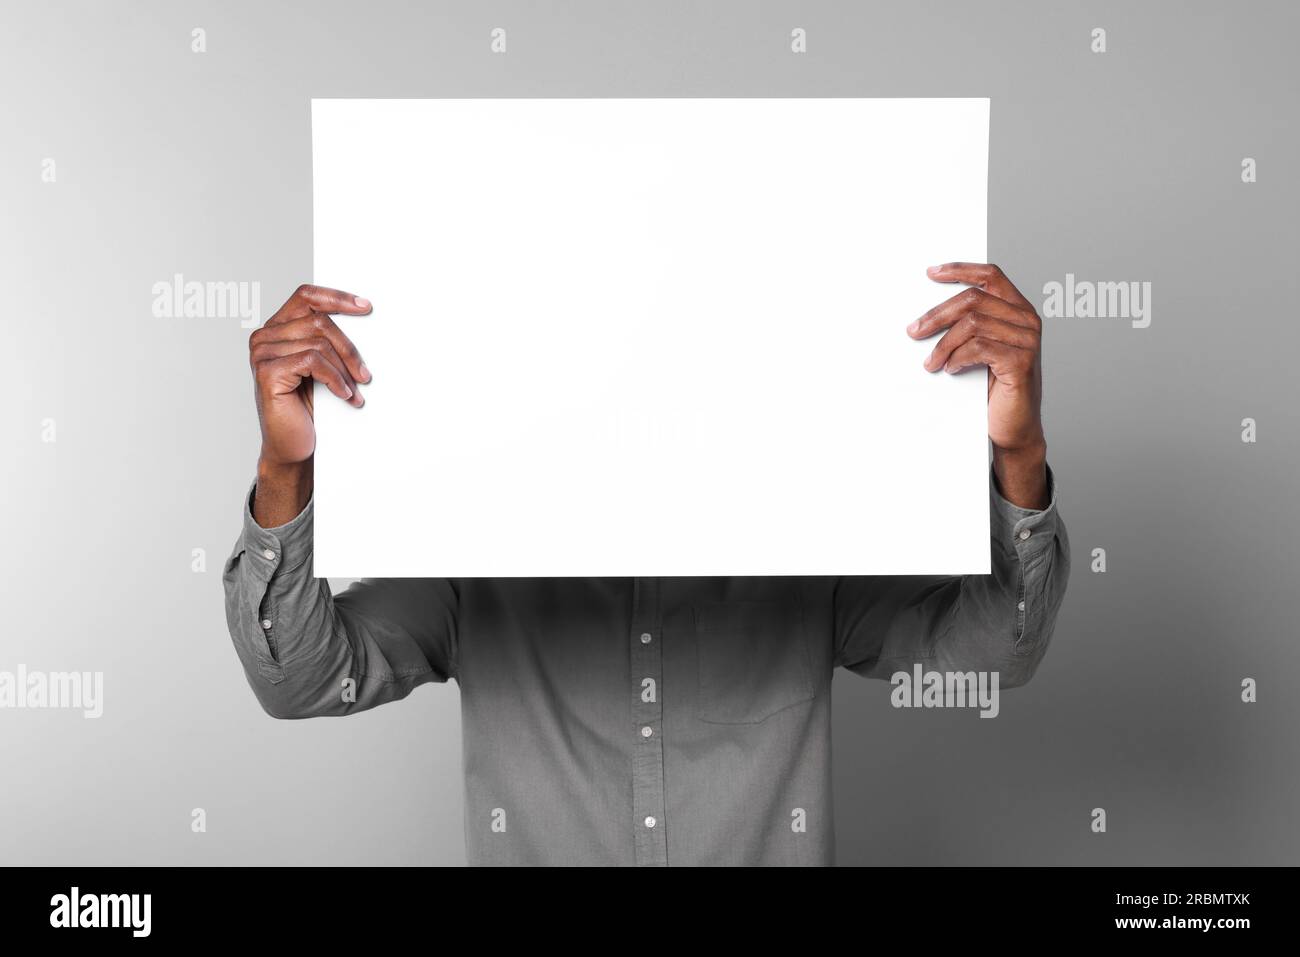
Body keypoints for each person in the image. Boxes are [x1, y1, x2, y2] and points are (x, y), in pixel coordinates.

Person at [222, 262, 1070, 865]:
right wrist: (284, 469)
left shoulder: (811, 547)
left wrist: (1019, 451)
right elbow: (299, 682)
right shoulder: (469, 563)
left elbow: (994, 655)